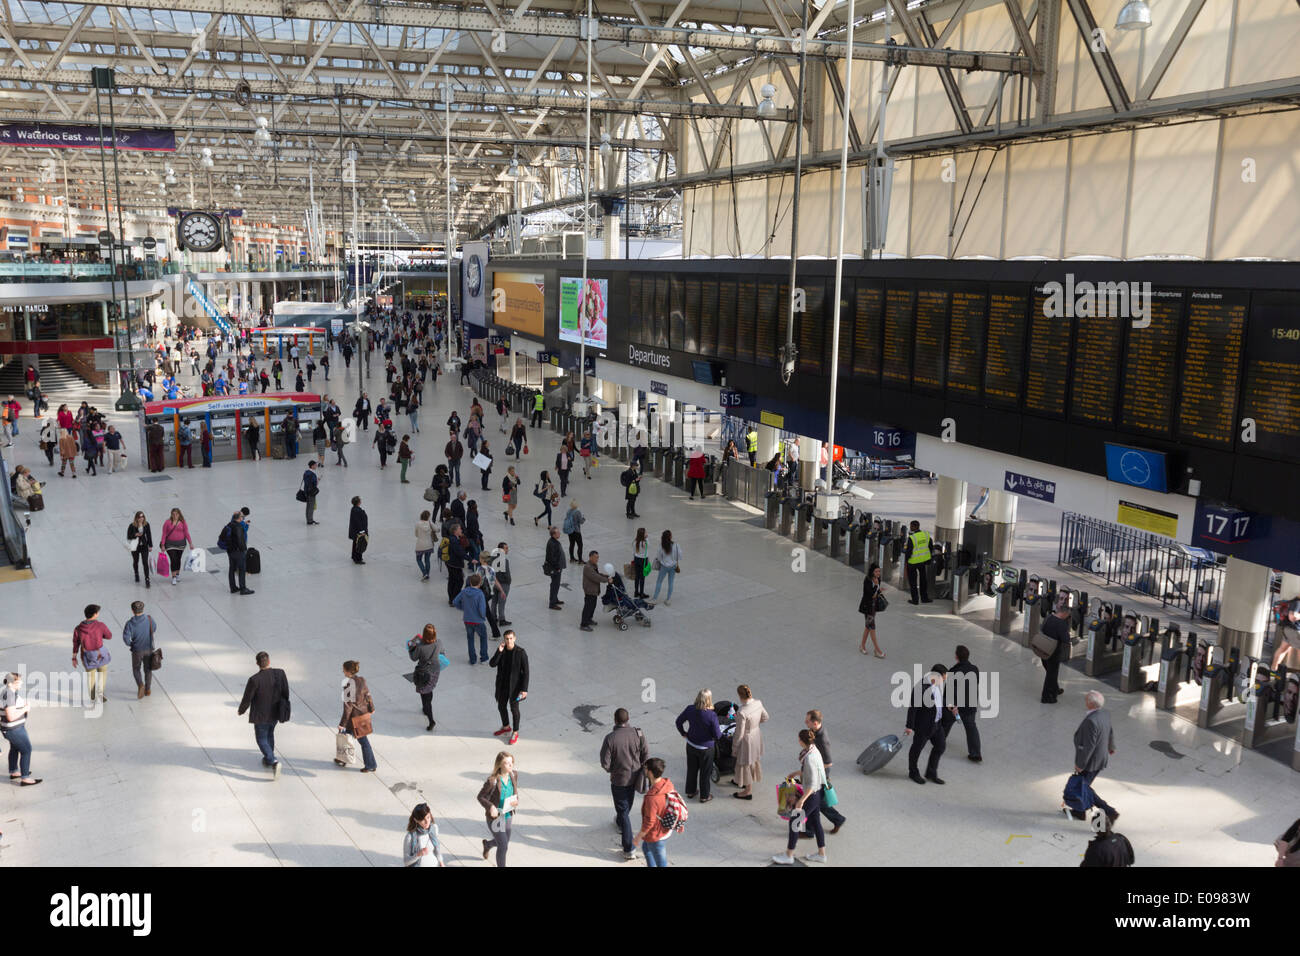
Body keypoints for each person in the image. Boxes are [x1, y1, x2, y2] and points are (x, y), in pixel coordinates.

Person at [771, 728, 829, 864]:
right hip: (818, 793)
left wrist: (801, 801)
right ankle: (822, 854)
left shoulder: (809, 758)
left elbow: (813, 783)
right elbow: (814, 771)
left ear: (802, 741)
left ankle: (789, 855)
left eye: (798, 739)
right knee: (815, 822)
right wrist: (797, 773)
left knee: (794, 822)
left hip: (811, 794)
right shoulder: (814, 750)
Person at [600, 708, 650, 860]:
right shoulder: (637, 732)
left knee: (622, 810)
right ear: (627, 719)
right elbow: (646, 753)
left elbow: (605, 763)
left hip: (619, 779)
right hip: (635, 777)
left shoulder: (610, 738)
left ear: (615, 720)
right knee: (626, 806)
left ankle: (629, 848)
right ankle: (621, 822)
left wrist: (612, 771)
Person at [236, 651, 288, 777]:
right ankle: (269, 757)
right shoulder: (280, 673)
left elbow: (247, 698)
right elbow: (285, 692)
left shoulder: (254, 679)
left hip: (261, 715)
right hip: (275, 712)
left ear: (257, 664)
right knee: (270, 733)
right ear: (269, 661)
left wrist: (241, 710)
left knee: (261, 738)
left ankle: (273, 761)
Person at [1073, 690, 1119, 823]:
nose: (1085, 702)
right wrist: (1111, 746)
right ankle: (1079, 811)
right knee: (1082, 786)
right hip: (1100, 757)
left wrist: (1080, 765)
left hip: (1091, 762)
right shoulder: (1104, 714)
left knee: (1082, 787)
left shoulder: (1091, 721)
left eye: (1086, 700)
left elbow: (1089, 746)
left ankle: (1109, 811)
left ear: (1090, 704)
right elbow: (1110, 730)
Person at [905, 665, 952, 785]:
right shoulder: (920, 688)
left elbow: (939, 699)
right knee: (917, 749)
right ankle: (913, 772)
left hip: (937, 724)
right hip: (924, 726)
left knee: (940, 746)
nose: (944, 680)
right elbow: (913, 708)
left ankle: (931, 772)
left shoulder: (937, 685)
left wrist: (949, 705)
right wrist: (909, 726)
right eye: (943, 678)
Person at [804, 710, 846, 835]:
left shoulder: (822, 739)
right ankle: (813, 828)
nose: (805, 722)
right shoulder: (815, 732)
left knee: (814, 801)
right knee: (817, 802)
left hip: (819, 776)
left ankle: (812, 829)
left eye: (807, 721)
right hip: (816, 775)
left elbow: (829, 762)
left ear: (815, 723)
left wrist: (813, 767)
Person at [675, 689, 722, 803]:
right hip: (706, 748)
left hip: (691, 745)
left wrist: (684, 733)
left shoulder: (690, 709)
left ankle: (690, 791)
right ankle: (704, 795)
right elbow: (717, 735)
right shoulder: (711, 715)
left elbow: (678, 722)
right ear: (709, 700)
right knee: (705, 772)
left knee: (691, 769)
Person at [476, 751, 519, 867]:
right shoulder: (492, 781)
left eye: (511, 762)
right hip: (495, 818)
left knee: (504, 842)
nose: (510, 765)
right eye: (507, 763)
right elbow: (480, 797)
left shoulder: (513, 774)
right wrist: (491, 806)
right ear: (499, 765)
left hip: (508, 814)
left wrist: (516, 800)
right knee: (503, 846)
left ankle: (488, 845)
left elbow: (514, 791)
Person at [489, 630, 529, 746]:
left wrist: (524, 689)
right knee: (501, 706)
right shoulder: (502, 651)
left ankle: (515, 732)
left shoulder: (521, 652)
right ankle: (506, 726)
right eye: (506, 639)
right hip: (502, 685)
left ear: (515, 638)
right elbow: (492, 664)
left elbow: (526, 672)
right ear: (504, 639)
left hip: (515, 687)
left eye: (511, 638)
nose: (509, 641)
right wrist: (499, 651)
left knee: (514, 709)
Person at [0, 672, 40, 787]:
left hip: (9, 729)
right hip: (14, 729)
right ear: (12, 683)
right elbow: (11, 716)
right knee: (26, 750)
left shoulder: (7, 691)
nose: (22, 683)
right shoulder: (10, 694)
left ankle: (14, 771)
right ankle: (25, 778)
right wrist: (25, 708)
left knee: (15, 748)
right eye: (19, 681)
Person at [338, 660, 378, 773]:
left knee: (362, 741)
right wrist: (371, 708)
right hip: (363, 714)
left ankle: (371, 764)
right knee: (345, 736)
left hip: (354, 719)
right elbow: (368, 694)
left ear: (348, 671)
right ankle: (342, 758)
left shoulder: (347, 685)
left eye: (344, 669)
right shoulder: (362, 680)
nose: (342, 671)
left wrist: (342, 724)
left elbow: (348, 707)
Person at [634, 757, 674, 867]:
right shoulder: (666, 784)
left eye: (646, 768)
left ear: (650, 773)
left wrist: (638, 837)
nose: (644, 770)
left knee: (661, 862)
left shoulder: (652, 798)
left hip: (656, 834)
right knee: (646, 848)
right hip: (664, 828)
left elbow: (649, 822)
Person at [730, 684, 768, 799]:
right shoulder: (758, 703)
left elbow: (739, 733)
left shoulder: (742, 712)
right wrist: (754, 725)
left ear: (740, 696)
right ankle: (741, 781)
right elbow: (766, 717)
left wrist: (734, 748)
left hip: (747, 740)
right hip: (756, 735)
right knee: (753, 760)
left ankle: (747, 790)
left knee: (745, 763)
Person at [72, 604, 113, 703]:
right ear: (94, 615)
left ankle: (92, 696)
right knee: (102, 673)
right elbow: (109, 636)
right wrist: (99, 635)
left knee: (91, 676)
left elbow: (75, 643)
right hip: (101, 655)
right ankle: (100, 692)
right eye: (97, 612)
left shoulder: (78, 628)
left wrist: (74, 657)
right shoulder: (100, 625)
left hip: (87, 656)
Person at [407, 623, 444, 731]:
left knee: (425, 697)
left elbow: (413, 658)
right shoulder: (439, 642)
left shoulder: (420, 647)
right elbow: (442, 653)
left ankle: (431, 719)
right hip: (435, 671)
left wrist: (411, 648)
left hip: (423, 674)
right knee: (430, 689)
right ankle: (426, 707)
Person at [948, 645, 982, 762]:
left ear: (956, 657)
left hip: (957, 707)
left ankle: (938, 740)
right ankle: (975, 753)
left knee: (945, 722)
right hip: (970, 705)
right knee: (971, 727)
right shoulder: (974, 669)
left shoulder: (953, 672)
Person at [121, 600, 157, 699]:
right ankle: (148, 690)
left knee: (136, 669)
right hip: (149, 649)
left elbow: (126, 638)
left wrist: (131, 644)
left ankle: (140, 685)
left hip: (137, 651)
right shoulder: (149, 619)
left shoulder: (129, 624)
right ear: (143, 608)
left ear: (133, 611)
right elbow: (154, 628)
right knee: (148, 669)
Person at [1040, 594, 1072, 704]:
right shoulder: (1061, 624)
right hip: (1053, 652)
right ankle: (1047, 697)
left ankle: (1055, 689)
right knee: (1051, 674)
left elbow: (1042, 629)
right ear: (1064, 613)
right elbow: (1066, 640)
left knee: (1050, 672)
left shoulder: (1049, 617)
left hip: (1042, 649)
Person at [454, 573, 490, 665]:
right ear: (479, 583)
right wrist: (483, 616)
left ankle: (473, 659)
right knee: (483, 637)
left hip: (467, 620)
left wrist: (463, 608)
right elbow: (482, 608)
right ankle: (484, 657)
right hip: (478, 621)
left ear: (470, 582)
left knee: (470, 639)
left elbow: (455, 602)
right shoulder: (480, 594)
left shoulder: (464, 591)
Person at [220, 510, 254, 595]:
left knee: (232, 568)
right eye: (242, 517)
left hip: (230, 551)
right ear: (239, 518)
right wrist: (244, 550)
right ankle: (243, 588)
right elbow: (240, 540)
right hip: (238, 551)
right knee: (242, 569)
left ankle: (233, 587)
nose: (243, 518)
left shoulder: (229, 524)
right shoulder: (238, 527)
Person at [857, 562, 887, 657]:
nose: (878, 573)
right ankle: (877, 650)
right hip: (868, 607)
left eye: (879, 571)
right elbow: (870, 595)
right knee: (872, 627)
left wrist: (878, 590)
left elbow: (876, 595)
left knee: (868, 627)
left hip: (874, 606)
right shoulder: (867, 580)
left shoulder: (878, 579)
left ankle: (862, 646)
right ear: (872, 571)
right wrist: (878, 589)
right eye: (876, 571)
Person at [403, 802, 445, 867]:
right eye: (423, 820)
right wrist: (418, 854)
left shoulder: (434, 828)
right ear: (416, 820)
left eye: (428, 817)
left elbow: (437, 848)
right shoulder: (409, 837)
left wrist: (441, 863)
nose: (427, 822)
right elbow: (406, 862)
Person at [160, 508, 193, 586]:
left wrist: (190, 543)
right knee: (173, 559)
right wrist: (163, 545)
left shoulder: (183, 522)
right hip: (170, 544)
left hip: (181, 544)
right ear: (171, 514)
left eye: (176, 514)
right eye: (173, 514)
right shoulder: (167, 522)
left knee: (178, 559)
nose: (175, 516)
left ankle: (177, 574)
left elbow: (186, 533)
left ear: (179, 514)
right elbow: (164, 534)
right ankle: (174, 576)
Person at [903, 519, 932, 604]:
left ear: (915, 527)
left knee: (913, 582)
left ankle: (915, 600)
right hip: (922, 562)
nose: (910, 527)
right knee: (923, 580)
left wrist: (906, 561)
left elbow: (909, 551)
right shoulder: (926, 535)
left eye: (911, 526)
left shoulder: (912, 538)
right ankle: (924, 598)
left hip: (912, 563)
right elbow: (930, 547)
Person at [651, 530, 681, 606]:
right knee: (670, 582)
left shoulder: (661, 546)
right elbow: (679, 556)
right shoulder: (676, 545)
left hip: (664, 566)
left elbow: (658, 557)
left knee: (659, 582)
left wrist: (663, 562)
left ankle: (655, 599)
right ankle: (668, 599)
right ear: (670, 537)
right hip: (673, 566)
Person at [580, 551, 609, 632]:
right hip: (589, 590)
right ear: (590, 557)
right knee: (588, 607)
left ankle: (589, 619)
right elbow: (596, 577)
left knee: (592, 606)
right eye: (595, 557)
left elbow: (597, 574)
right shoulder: (588, 567)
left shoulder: (593, 565)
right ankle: (583, 624)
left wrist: (605, 576)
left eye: (598, 557)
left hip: (594, 590)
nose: (597, 559)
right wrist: (607, 580)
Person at [127, 511, 153, 588]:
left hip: (144, 546)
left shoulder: (146, 524)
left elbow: (149, 535)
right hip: (135, 547)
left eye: (142, 517)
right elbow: (129, 536)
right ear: (136, 518)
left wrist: (150, 545)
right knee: (136, 561)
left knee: (145, 562)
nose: (141, 519)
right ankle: (136, 573)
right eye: (139, 517)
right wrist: (135, 534)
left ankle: (147, 579)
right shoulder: (132, 525)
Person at [544, 526, 566, 610]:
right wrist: (557, 567)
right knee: (555, 585)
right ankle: (552, 603)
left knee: (555, 584)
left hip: (557, 567)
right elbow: (552, 558)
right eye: (558, 533)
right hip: (555, 568)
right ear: (553, 534)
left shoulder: (553, 541)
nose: (559, 533)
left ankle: (555, 599)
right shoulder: (553, 543)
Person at [414, 509, 436, 581]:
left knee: (419, 559)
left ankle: (424, 573)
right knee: (427, 560)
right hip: (429, 544)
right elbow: (437, 529)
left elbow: (416, 534)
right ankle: (427, 573)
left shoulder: (417, 524)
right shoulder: (430, 523)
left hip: (420, 545)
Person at [348, 496, 368, 564]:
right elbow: (358, 522)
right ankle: (358, 559)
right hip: (358, 531)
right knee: (360, 544)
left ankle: (354, 556)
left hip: (355, 531)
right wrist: (362, 531)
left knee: (355, 543)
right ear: (358, 502)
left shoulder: (354, 509)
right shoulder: (357, 510)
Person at [631, 527, 650, 599]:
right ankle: (641, 593)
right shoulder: (644, 542)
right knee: (642, 577)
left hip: (636, 559)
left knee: (637, 576)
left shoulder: (635, 541)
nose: (646, 533)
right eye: (645, 532)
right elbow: (649, 546)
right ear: (643, 535)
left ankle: (636, 592)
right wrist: (647, 538)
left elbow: (633, 551)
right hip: (643, 560)